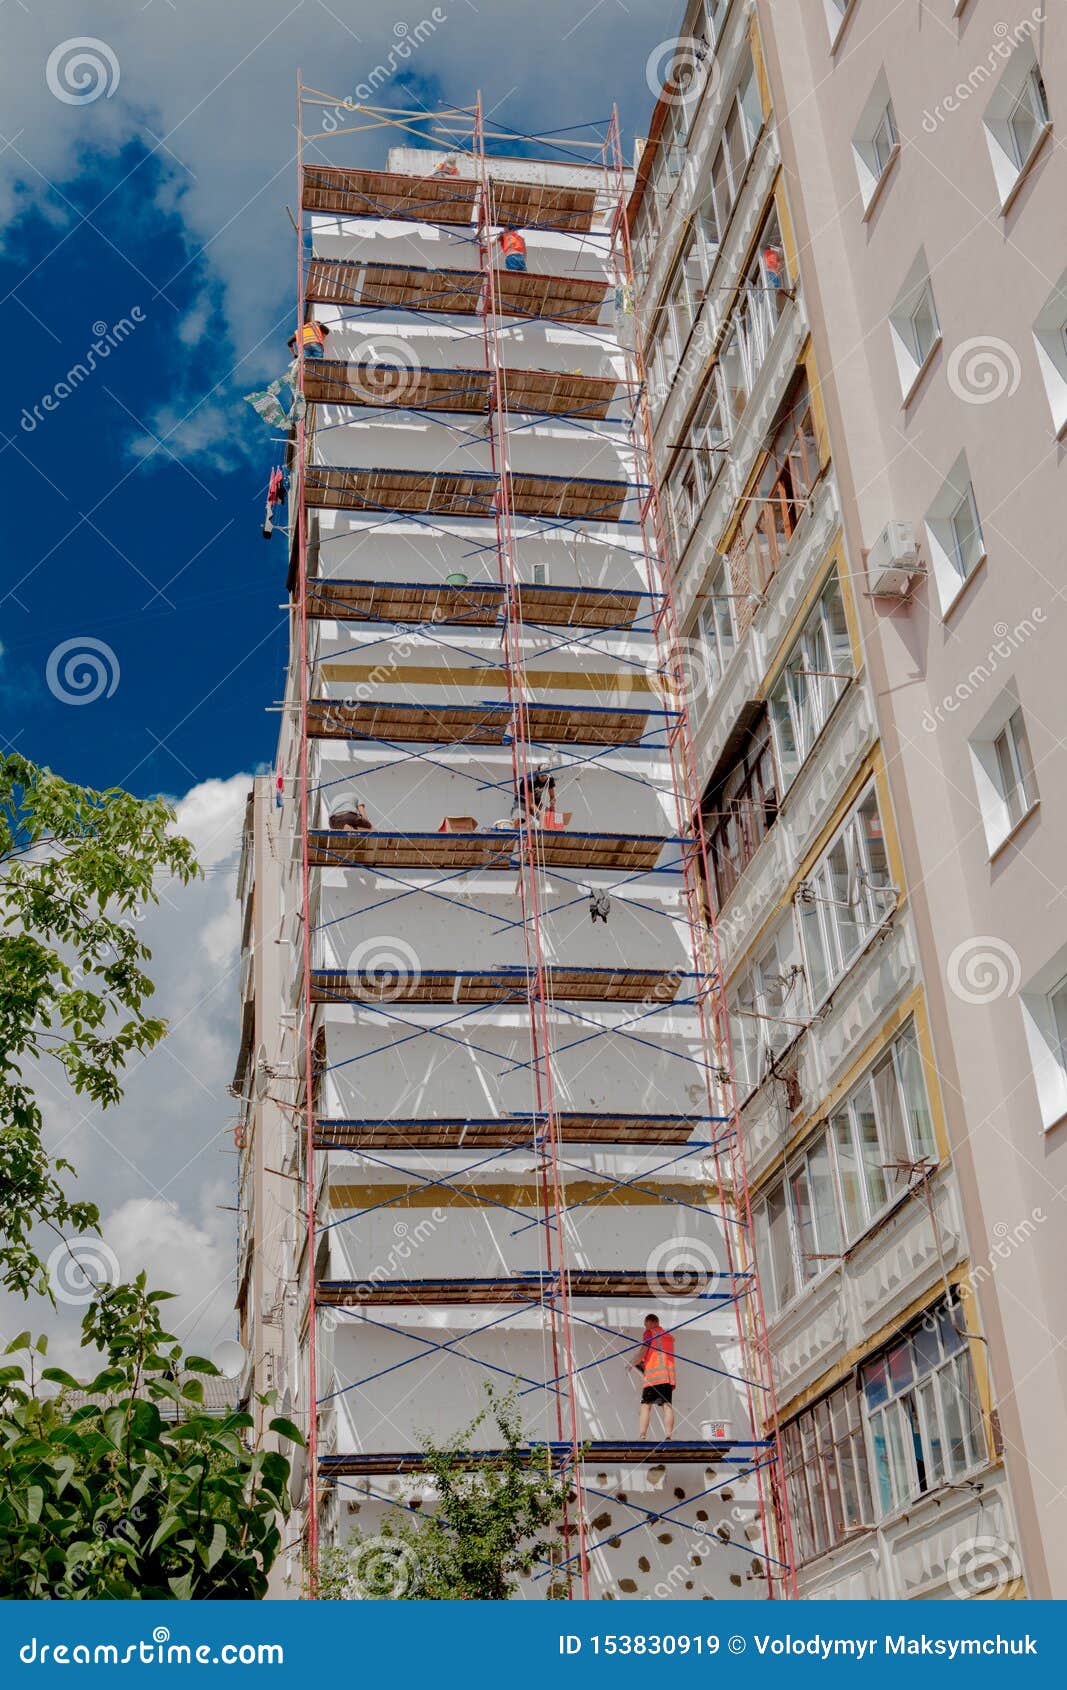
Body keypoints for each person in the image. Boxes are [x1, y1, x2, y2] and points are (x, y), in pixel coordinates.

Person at [633, 1313, 675, 1440]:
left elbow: (643, 1352)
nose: (645, 1328)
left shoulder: (649, 1333)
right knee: (667, 1406)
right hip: (667, 1376)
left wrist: (632, 1363)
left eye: (646, 1325)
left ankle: (642, 1435)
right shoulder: (667, 1336)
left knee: (646, 1405)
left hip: (653, 1376)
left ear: (650, 1322)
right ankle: (668, 1435)